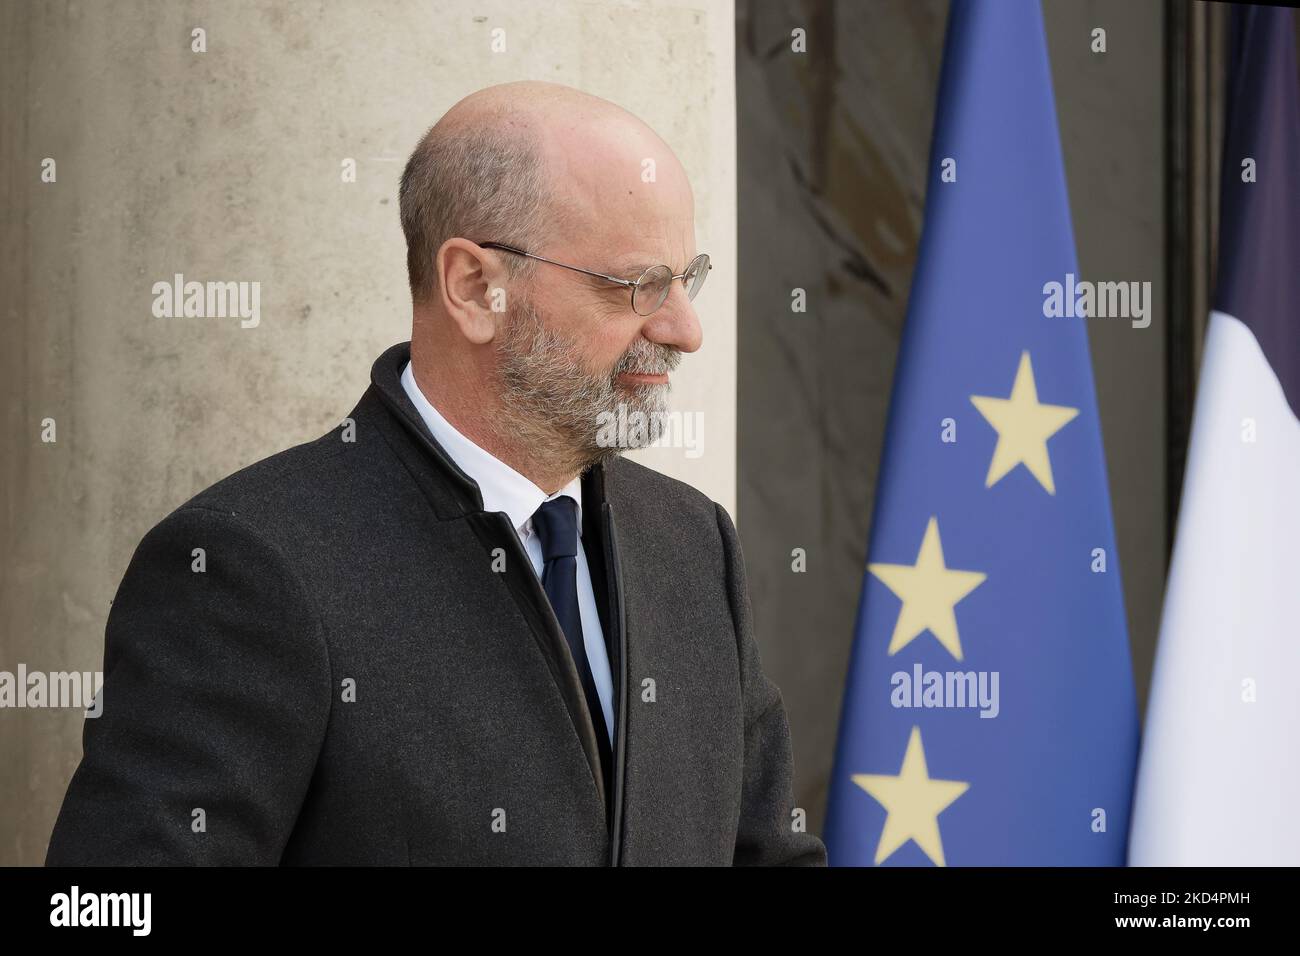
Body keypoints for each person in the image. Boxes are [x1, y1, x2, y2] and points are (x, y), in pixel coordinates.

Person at [45, 80, 826, 866]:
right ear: (472, 287)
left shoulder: (692, 544)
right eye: (634, 286)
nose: (684, 329)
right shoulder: (250, 566)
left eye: (685, 279)